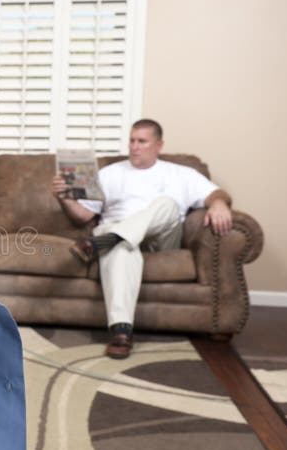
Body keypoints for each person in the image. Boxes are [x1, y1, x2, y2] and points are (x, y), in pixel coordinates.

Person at [51, 119, 233, 359]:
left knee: (167, 205)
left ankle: (108, 240)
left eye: (142, 141)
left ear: (158, 145)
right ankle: (121, 332)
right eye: (132, 140)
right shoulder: (108, 174)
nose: (135, 147)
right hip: (120, 236)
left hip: (161, 240)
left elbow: (217, 193)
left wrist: (219, 203)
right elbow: (83, 216)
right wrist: (63, 198)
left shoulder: (181, 174)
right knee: (120, 248)